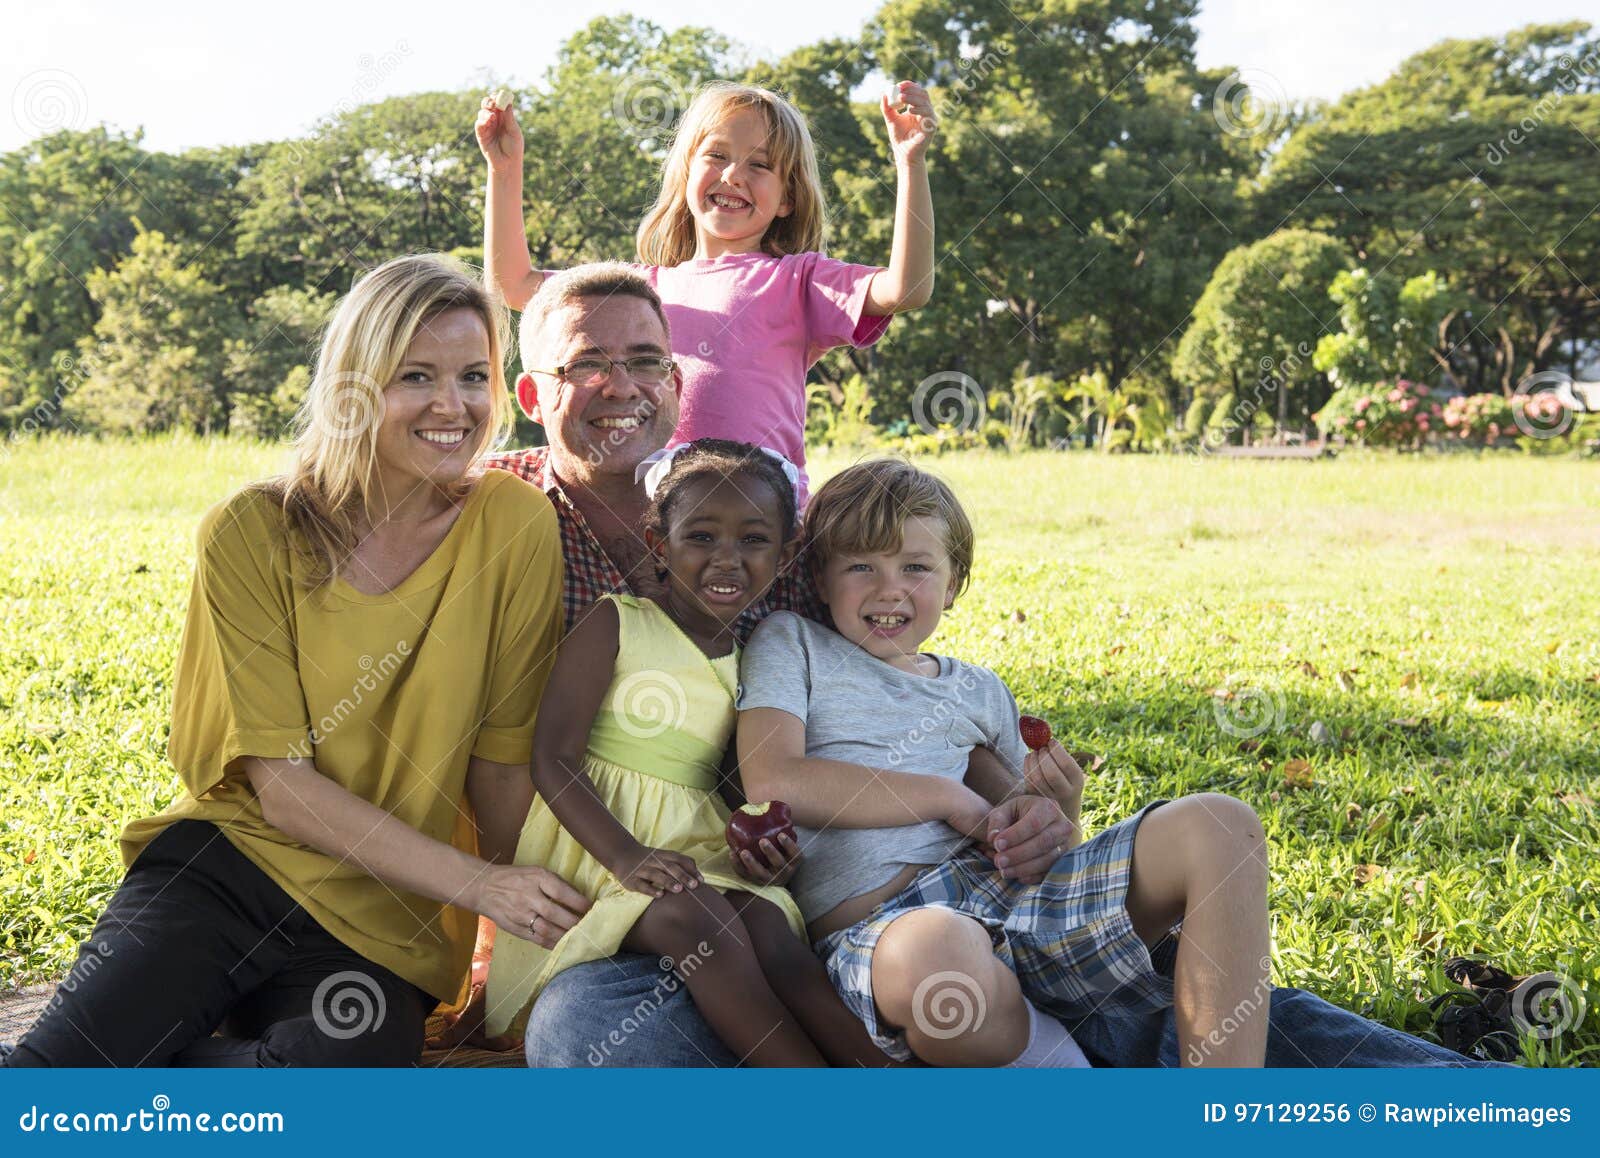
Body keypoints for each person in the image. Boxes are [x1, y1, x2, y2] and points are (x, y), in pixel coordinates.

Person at [479, 265, 1495, 1068]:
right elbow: (523, 754)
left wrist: (1034, 813)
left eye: (644, 361)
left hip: (826, 903)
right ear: (534, 392)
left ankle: (1439, 1107)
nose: (618, 386)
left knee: (1149, 971)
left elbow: (918, 697)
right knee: (587, 1031)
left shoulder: (752, 520)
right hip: (654, 914)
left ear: (675, 382)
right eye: (583, 365)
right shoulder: (497, 521)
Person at [1, 254, 586, 1067]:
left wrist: (535, 928)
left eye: (474, 377)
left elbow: (499, 768)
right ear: (354, 384)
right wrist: (483, 886)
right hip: (227, 873)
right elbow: (282, 791)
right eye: (415, 376)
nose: (453, 407)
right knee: (49, 1083)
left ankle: (162, 1064)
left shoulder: (514, 525)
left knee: (338, 1086)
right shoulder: (249, 531)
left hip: (390, 919)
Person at [737, 458, 1270, 1066]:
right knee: (940, 959)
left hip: (1016, 905)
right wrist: (947, 797)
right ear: (820, 578)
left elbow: (1045, 839)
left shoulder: (979, 689)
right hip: (888, 931)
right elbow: (771, 777)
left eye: (915, 567)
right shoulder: (793, 643)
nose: (889, 589)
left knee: (1220, 824)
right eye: (861, 565)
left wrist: (1057, 806)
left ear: (954, 582)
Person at [485, 440, 896, 1066]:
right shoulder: (616, 623)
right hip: (601, 846)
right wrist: (625, 856)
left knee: (767, 926)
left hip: (692, 845)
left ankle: (884, 1075)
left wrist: (760, 847)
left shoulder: (752, 660)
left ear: (785, 558)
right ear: (659, 545)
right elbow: (553, 758)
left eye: (753, 540)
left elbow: (731, 785)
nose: (726, 559)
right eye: (700, 536)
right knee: (695, 918)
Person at [476, 79, 937, 502]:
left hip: (761, 528)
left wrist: (910, 162)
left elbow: (908, 287)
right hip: (659, 528)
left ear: (788, 199)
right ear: (686, 172)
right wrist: (504, 168)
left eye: (759, 165)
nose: (734, 175)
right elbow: (514, 286)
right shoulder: (642, 291)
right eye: (717, 156)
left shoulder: (799, 279)